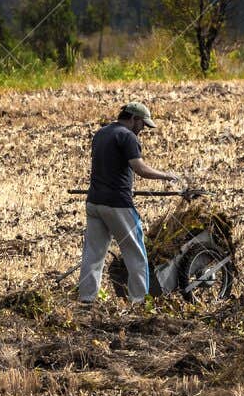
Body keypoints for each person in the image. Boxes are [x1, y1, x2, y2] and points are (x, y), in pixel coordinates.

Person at [78, 102, 184, 304]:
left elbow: (110, 166)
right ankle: (139, 301)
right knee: (135, 254)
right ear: (134, 119)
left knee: (93, 254)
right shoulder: (127, 136)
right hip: (118, 204)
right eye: (143, 124)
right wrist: (166, 176)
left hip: (94, 202)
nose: (143, 129)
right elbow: (140, 168)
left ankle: (87, 300)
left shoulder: (101, 133)